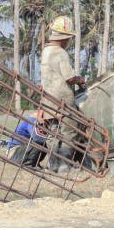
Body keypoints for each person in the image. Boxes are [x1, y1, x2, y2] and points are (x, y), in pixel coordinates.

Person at [40, 15, 86, 173]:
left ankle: (54, 166)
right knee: (69, 131)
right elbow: (69, 77)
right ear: (65, 38)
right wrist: (80, 80)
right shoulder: (60, 53)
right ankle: (65, 165)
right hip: (63, 100)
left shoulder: (46, 51)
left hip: (48, 100)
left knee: (53, 133)